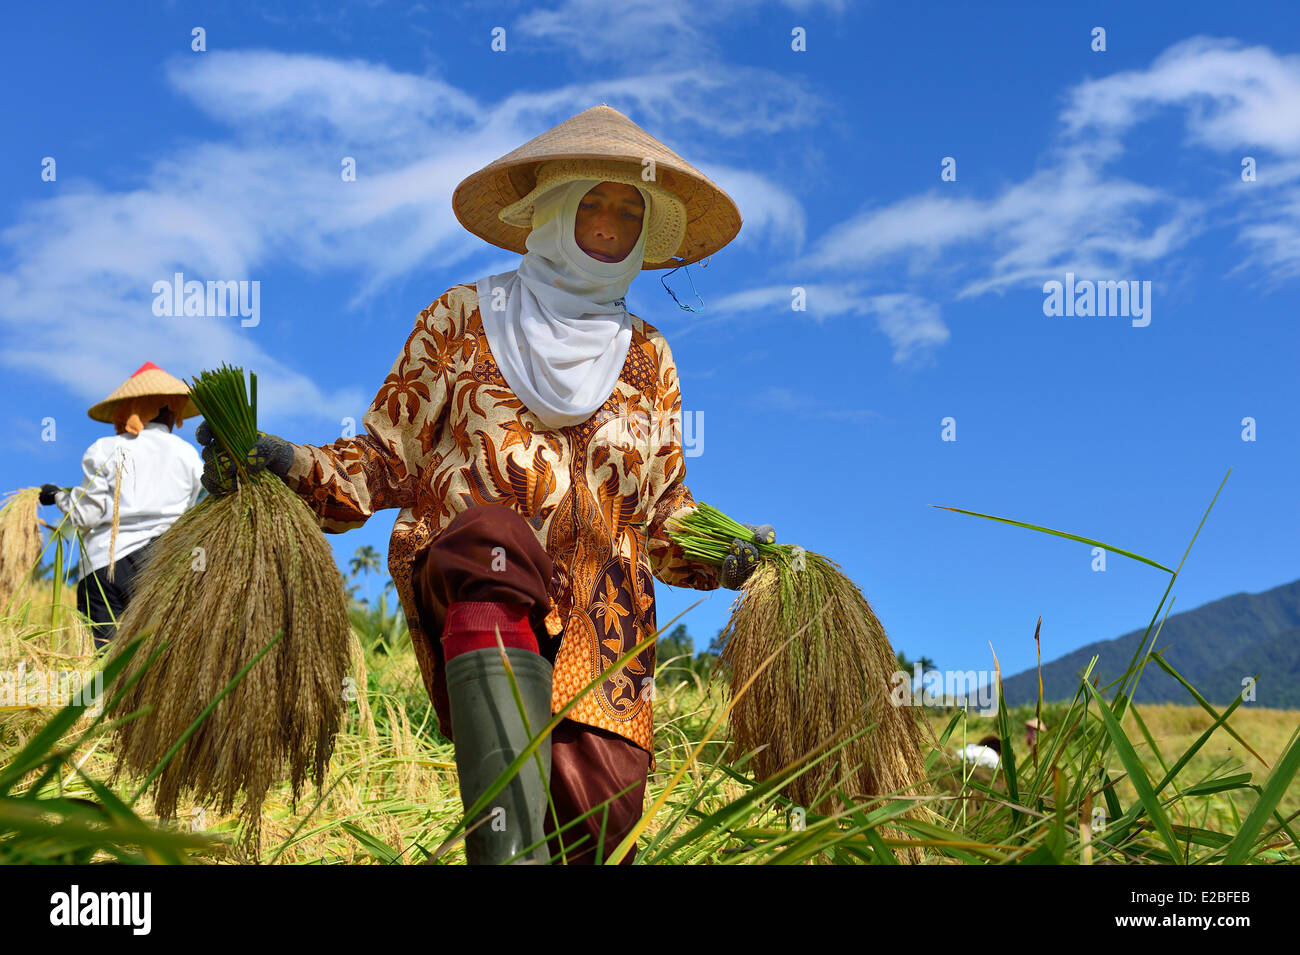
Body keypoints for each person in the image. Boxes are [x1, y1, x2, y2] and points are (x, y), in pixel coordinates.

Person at [201, 105, 775, 865]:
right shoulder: (463, 318)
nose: (608, 220)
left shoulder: (649, 358)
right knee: (492, 539)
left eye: (627, 207)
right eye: (591, 201)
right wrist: (287, 462)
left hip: (605, 638)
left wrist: (725, 554)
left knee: (600, 835)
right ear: (552, 209)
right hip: (482, 594)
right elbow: (385, 458)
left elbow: (664, 514)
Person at [39, 362, 203, 648]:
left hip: (108, 566)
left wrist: (56, 497)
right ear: (169, 411)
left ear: (132, 408)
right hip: (163, 564)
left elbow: (84, 514)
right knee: (152, 660)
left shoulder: (107, 449)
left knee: (105, 662)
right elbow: (188, 514)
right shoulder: (188, 456)